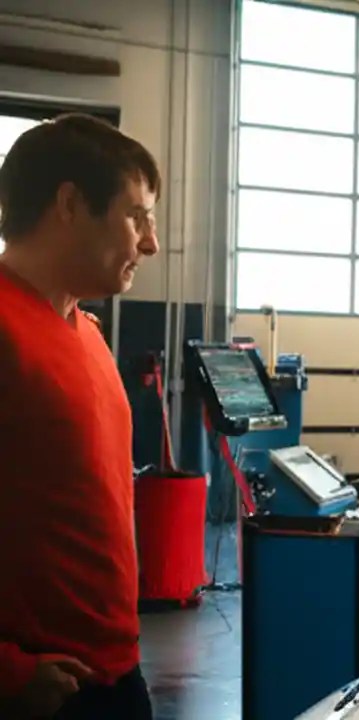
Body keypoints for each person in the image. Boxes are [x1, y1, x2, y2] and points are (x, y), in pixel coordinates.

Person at [0, 114, 161, 719]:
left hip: (116, 672)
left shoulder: (85, 332)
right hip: (40, 689)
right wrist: (8, 674)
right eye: (136, 217)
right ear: (69, 203)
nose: (150, 243)